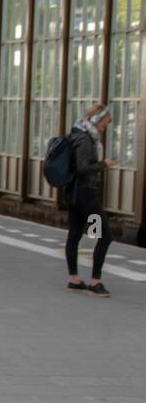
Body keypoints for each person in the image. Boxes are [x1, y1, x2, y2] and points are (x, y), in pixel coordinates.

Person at [65, 104, 114, 298]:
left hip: (74, 194)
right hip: (85, 194)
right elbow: (83, 168)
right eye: (104, 123)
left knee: (75, 234)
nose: (104, 128)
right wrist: (104, 164)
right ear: (97, 120)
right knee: (105, 236)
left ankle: (74, 280)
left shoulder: (78, 134)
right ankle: (95, 282)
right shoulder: (85, 139)